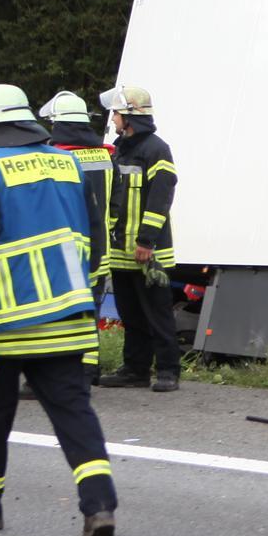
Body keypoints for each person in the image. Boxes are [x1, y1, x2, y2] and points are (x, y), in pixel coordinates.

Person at [0, 83, 118, 536]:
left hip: (4, 325)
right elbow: (94, 237)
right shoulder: (69, 163)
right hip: (69, 318)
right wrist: (84, 294)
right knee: (75, 416)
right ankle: (99, 507)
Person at [96, 84, 181, 393]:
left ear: (130, 117)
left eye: (116, 113)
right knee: (130, 315)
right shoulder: (120, 148)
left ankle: (169, 371)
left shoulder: (156, 149)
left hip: (149, 251)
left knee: (157, 314)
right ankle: (135, 369)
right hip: (121, 250)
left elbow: (161, 197)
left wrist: (146, 241)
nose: (113, 119)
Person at [40, 90, 112, 371]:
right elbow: (115, 203)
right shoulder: (106, 156)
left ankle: (59, 370)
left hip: (66, 250)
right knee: (90, 310)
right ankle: (89, 368)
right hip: (100, 248)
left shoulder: (55, 158)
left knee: (61, 312)